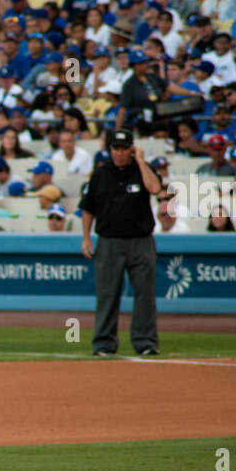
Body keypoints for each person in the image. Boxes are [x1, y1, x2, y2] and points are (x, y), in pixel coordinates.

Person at [79, 129, 162, 356]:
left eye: (124, 148)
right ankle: (104, 344)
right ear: (110, 149)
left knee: (145, 293)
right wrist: (86, 237)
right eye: (116, 148)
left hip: (141, 240)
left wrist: (141, 161)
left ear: (132, 149)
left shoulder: (142, 169)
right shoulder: (101, 173)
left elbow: (155, 188)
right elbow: (88, 208)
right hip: (109, 241)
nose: (119, 153)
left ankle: (145, 342)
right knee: (107, 294)